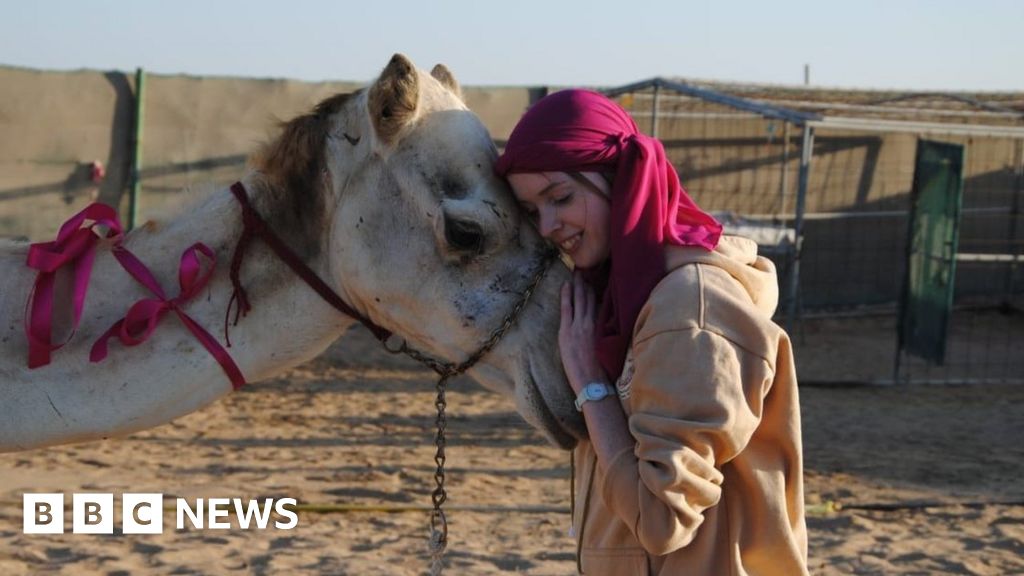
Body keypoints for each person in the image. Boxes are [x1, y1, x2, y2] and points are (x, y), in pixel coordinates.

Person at [495, 89, 808, 576]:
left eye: (560, 197)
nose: (549, 225)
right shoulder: (622, 296)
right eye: (532, 212)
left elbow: (662, 520)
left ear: (619, 181)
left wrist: (590, 386)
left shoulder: (691, 308)